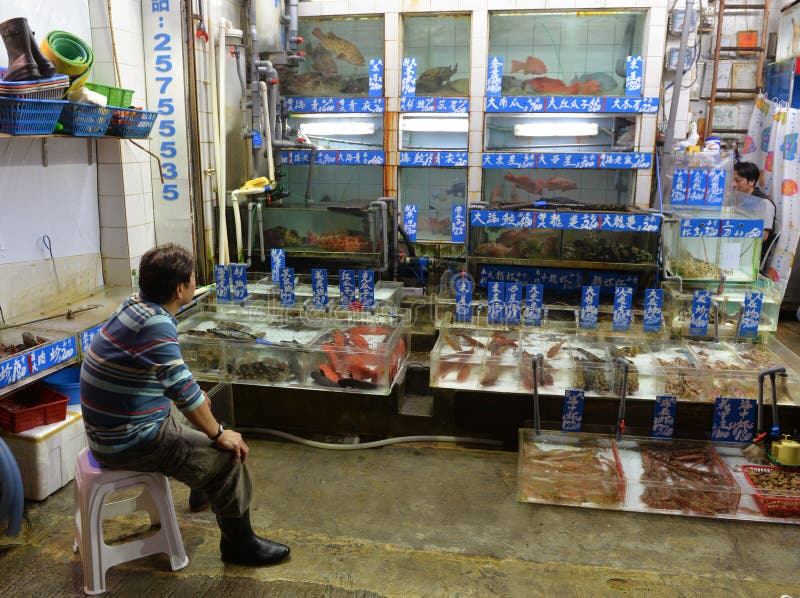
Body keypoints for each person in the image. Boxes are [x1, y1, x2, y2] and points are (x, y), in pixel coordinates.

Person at [80, 243, 289, 567]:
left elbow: (176, 380)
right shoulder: (156, 324)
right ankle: (239, 544)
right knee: (228, 455)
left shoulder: (136, 306)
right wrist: (220, 434)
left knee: (199, 406)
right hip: (128, 439)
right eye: (192, 278)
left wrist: (197, 404)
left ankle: (201, 487)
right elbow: (181, 389)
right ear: (181, 288)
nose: (195, 282)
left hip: (109, 428)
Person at [733, 161, 779, 272]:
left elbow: (762, 237)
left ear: (752, 181)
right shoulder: (738, 198)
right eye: (732, 180)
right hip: (735, 245)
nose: (734, 184)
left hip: (749, 254)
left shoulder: (764, 203)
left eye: (738, 181)